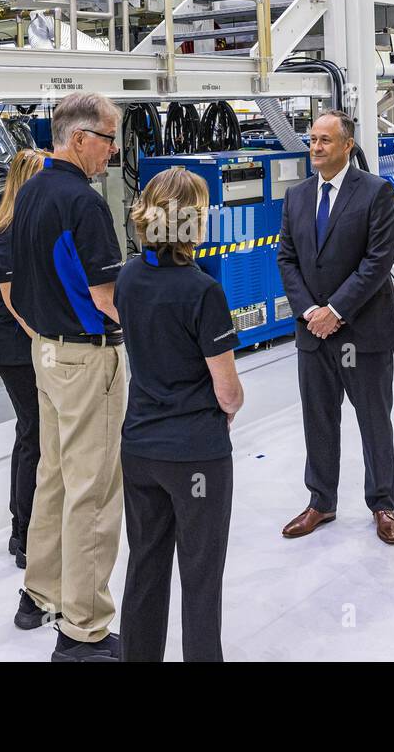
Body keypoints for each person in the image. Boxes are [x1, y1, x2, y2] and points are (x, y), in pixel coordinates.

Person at [9, 92, 126, 662]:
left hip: (45, 354)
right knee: (94, 492)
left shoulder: (29, 192)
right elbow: (107, 297)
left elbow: (20, 287)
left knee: (52, 478)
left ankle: (40, 593)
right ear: (80, 138)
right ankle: (84, 629)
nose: (113, 152)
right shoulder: (83, 203)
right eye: (108, 140)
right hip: (85, 360)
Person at [116, 167, 244, 662]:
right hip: (196, 455)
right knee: (200, 573)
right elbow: (227, 390)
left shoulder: (128, 276)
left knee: (145, 565)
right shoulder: (202, 291)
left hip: (141, 447)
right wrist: (229, 406)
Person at [276, 111, 394, 545]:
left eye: (325, 140)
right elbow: (286, 260)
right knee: (318, 420)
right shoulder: (295, 196)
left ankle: (382, 503)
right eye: (312, 140)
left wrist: (337, 310)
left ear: (347, 145)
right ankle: (321, 501)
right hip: (312, 332)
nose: (316, 147)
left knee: (373, 421)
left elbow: (377, 262)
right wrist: (310, 311)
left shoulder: (376, 193)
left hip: (362, 333)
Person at [0, 148, 48, 570]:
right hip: (15, 348)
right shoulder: (5, 234)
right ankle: (22, 531)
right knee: (34, 433)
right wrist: (53, 344)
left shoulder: (30, 228)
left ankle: (31, 524)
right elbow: (17, 306)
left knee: (38, 433)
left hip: (31, 345)